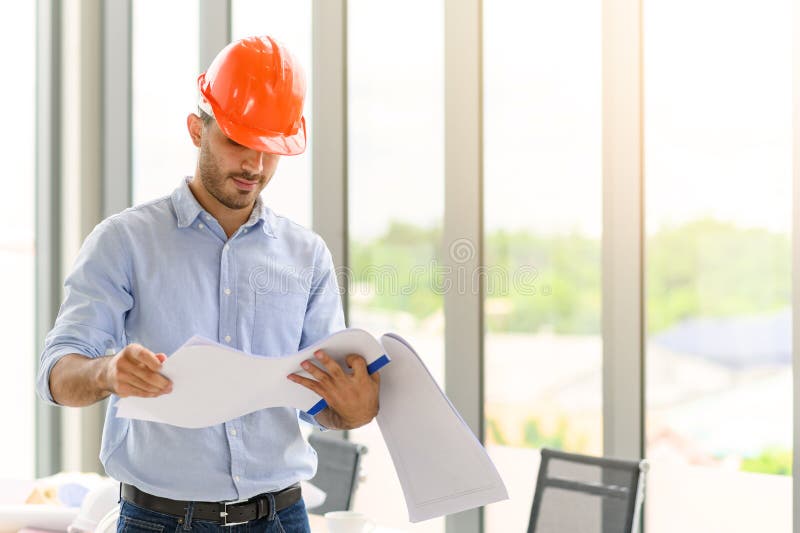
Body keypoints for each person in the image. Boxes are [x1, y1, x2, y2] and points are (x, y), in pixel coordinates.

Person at [35, 35, 380, 533]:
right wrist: (109, 372)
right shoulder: (125, 241)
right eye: (238, 141)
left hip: (282, 517)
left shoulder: (307, 255)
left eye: (269, 149)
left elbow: (322, 404)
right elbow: (55, 374)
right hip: (158, 521)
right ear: (198, 129)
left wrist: (352, 410)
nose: (254, 166)